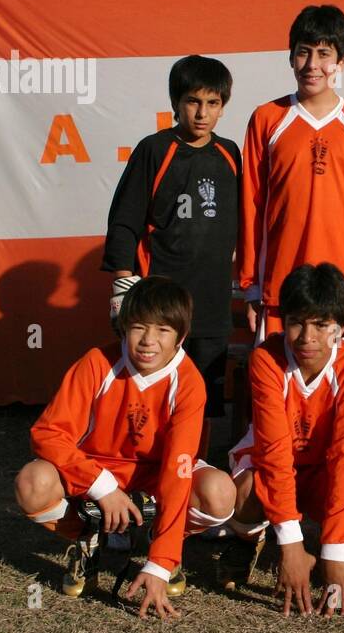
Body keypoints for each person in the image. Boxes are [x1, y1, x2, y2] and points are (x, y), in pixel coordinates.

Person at [14, 276, 237, 619]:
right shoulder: (96, 362)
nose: (149, 341)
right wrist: (102, 487)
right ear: (123, 327)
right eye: (138, 328)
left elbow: (178, 471)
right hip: (94, 470)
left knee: (220, 492)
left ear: (181, 334)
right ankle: (86, 537)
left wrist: (162, 562)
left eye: (163, 330)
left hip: (156, 474)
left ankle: (160, 539)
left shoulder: (189, 381)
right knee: (32, 483)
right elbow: (47, 433)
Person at [222, 263, 344, 616]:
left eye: (321, 324)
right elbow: (273, 452)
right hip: (277, 468)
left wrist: (336, 553)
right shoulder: (266, 358)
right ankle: (245, 540)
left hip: (324, 469)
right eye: (297, 322)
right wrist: (292, 544)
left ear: (341, 328)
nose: (307, 336)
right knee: (246, 489)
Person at [102, 54, 241, 458]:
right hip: (161, 299)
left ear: (223, 107)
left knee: (208, 392)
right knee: (154, 386)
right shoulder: (154, 149)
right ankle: (144, 466)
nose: (202, 113)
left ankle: (197, 471)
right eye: (193, 102)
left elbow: (249, 225)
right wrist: (124, 283)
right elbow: (125, 220)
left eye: (213, 103)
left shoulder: (231, 154)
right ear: (176, 103)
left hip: (212, 300)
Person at [239, 4, 344, 344]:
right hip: (279, 290)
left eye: (324, 54)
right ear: (290, 57)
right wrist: (250, 286)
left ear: (342, 61)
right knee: (278, 388)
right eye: (303, 53)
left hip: (343, 291)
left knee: (338, 390)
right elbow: (251, 205)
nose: (312, 65)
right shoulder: (267, 118)